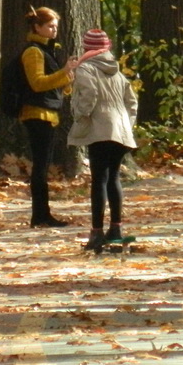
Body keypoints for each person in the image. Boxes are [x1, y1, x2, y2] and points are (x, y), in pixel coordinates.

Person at [68, 28, 138, 252]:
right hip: (121, 130)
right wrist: (127, 125)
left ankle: (97, 232)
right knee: (114, 177)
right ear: (107, 48)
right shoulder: (117, 73)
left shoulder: (85, 68)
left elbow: (89, 95)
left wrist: (80, 114)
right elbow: (132, 103)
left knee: (99, 178)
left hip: (99, 128)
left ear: (87, 48)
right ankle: (116, 229)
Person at [19, 6, 80, 228]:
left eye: (56, 26)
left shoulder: (47, 50)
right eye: (50, 26)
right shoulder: (33, 52)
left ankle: (42, 214)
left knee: (43, 166)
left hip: (48, 114)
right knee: (41, 166)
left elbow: (53, 86)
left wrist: (66, 80)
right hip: (37, 114)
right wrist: (63, 73)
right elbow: (37, 83)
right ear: (37, 27)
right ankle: (40, 215)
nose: (54, 30)